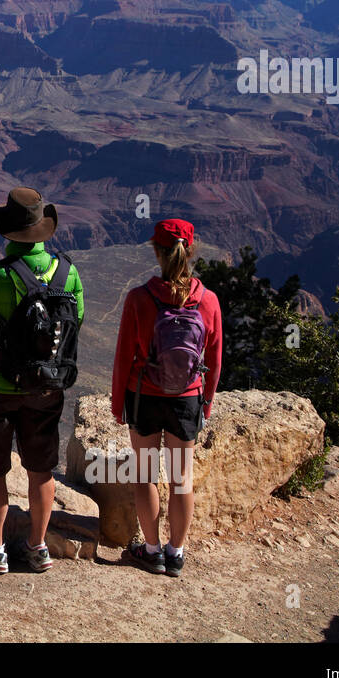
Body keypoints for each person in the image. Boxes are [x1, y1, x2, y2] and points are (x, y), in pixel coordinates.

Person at [0, 187, 84, 574]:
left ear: (8, 231)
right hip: (46, 387)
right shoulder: (68, 273)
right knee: (41, 470)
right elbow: (75, 323)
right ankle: (37, 546)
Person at [111, 218, 222, 578]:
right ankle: (176, 553)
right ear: (190, 252)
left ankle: (152, 551)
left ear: (157, 252)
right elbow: (215, 358)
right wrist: (206, 403)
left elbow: (124, 355)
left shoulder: (139, 298)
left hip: (144, 396)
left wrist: (117, 403)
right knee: (181, 480)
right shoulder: (208, 301)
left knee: (145, 475)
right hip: (186, 399)